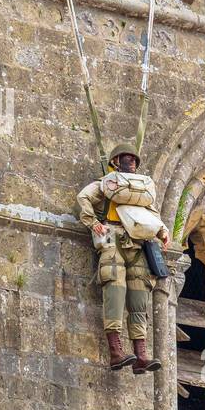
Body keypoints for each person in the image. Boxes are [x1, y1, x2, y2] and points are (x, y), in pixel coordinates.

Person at [77, 143, 170, 374]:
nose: (130, 163)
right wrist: (94, 222)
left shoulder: (141, 192)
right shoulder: (107, 184)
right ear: (116, 161)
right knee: (115, 289)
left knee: (140, 296)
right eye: (126, 159)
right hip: (111, 235)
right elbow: (84, 198)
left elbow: (152, 215)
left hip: (137, 241)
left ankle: (141, 354)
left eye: (133, 160)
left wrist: (162, 231)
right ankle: (116, 351)